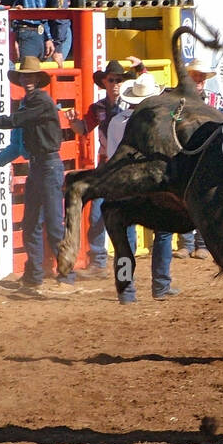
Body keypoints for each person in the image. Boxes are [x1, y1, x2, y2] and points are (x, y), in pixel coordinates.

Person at [0, 56, 74, 294]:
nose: (28, 80)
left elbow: (13, 122)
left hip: (48, 166)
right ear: (21, 79)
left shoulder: (40, 102)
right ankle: (35, 276)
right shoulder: (28, 104)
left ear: (37, 80)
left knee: (53, 223)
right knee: (32, 222)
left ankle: (66, 275)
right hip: (40, 166)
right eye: (25, 76)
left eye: (31, 76)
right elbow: (17, 145)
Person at [102, 72, 179, 302]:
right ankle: (161, 285)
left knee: (125, 238)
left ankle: (127, 290)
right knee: (163, 232)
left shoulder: (117, 122)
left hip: (124, 183)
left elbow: (111, 155)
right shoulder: (161, 123)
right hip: (153, 183)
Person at [64, 59, 141, 279]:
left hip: (125, 165)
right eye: (112, 80)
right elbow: (83, 129)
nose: (115, 83)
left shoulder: (130, 105)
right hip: (106, 165)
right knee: (97, 214)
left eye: (119, 80)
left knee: (126, 213)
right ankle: (98, 261)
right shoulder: (98, 108)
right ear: (105, 82)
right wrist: (73, 123)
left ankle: (124, 261)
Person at [174, 58, 223, 262]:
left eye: (201, 77)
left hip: (207, 158)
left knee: (205, 198)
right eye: (195, 76)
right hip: (186, 155)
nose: (198, 81)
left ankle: (201, 243)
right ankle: (186, 244)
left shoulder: (214, 100)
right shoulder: (179, 101)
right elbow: (170, 117)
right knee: (182, 197)